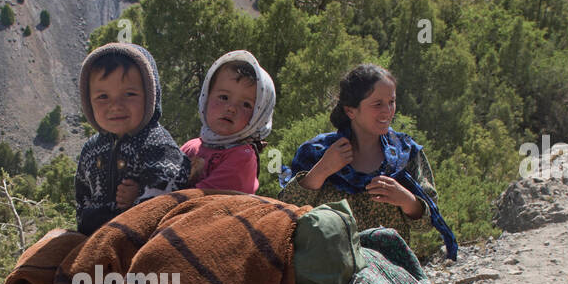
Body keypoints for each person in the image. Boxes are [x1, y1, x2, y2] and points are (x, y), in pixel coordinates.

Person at [279, 63, 457, 259]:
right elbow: (288, 213)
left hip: (392, 272)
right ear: (351, 111)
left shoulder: (405, 154)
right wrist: (322, 171)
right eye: (377, 104)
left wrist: (406, 200)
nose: (388, 111)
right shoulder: (316, 153)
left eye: (392, 102)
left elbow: (427, 223)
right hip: (331, 272)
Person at [74, 42, 186, 235]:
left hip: (141, 244)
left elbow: (166, 198)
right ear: (88, 101)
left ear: (150, 96)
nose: (116, 106)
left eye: (129, 94)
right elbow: (82, 194)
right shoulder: (91, 149)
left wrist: (137, 198)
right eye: (103, 97)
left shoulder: (158, 145)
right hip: (95, 239)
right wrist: (87, 221)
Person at [181, 50, 275, 194]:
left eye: (246, 105)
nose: (231, 108)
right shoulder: (191, 147)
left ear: (259, 116)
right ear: (206, 98)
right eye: (223, 97)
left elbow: (201, 200)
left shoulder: (242, 157)